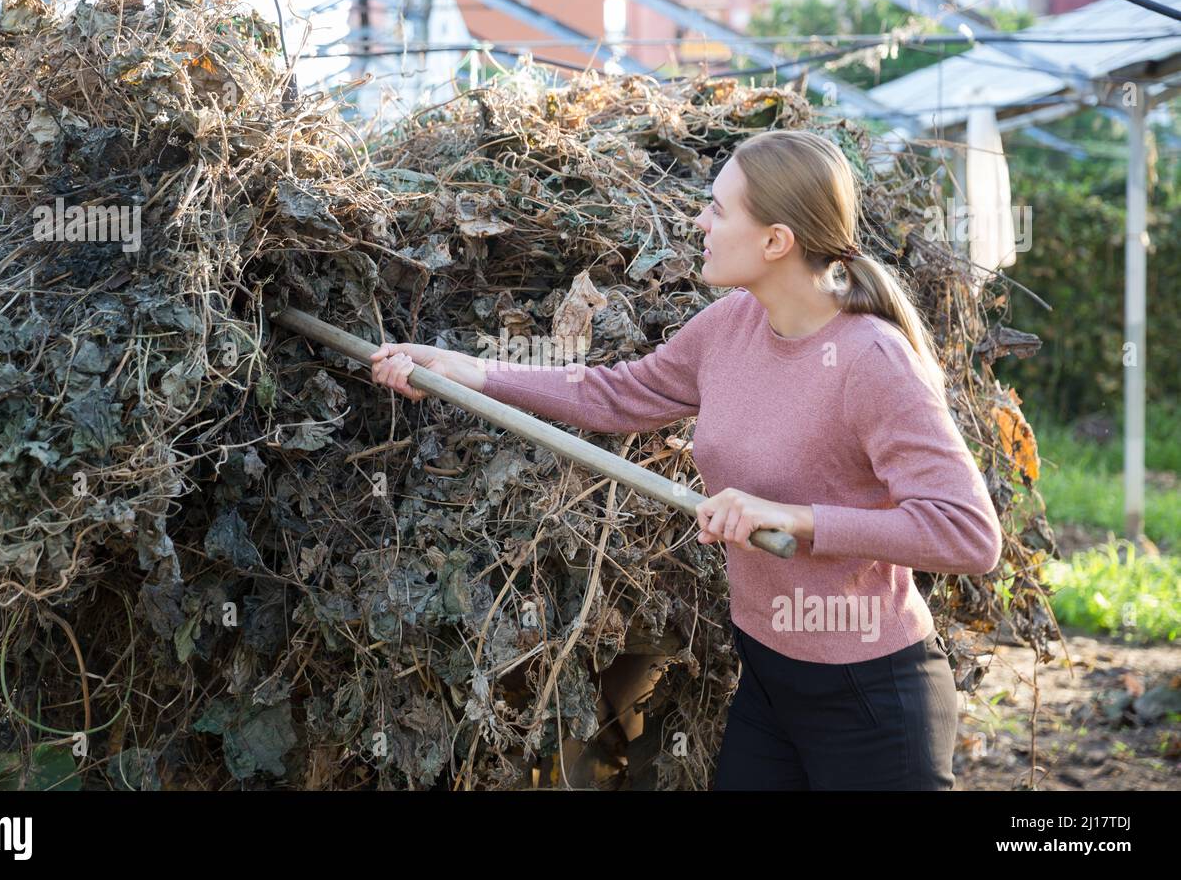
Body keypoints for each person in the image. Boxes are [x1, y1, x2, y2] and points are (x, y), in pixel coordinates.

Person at [367, 128, 1002, 790]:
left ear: (776, 241)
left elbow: (967, 533)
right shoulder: (731, 326)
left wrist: (796, 519)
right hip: (770, 676)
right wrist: (470, 372)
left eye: (719, 209)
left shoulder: (871, 361)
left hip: (870, 696)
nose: (699, 221)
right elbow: (617, 395)